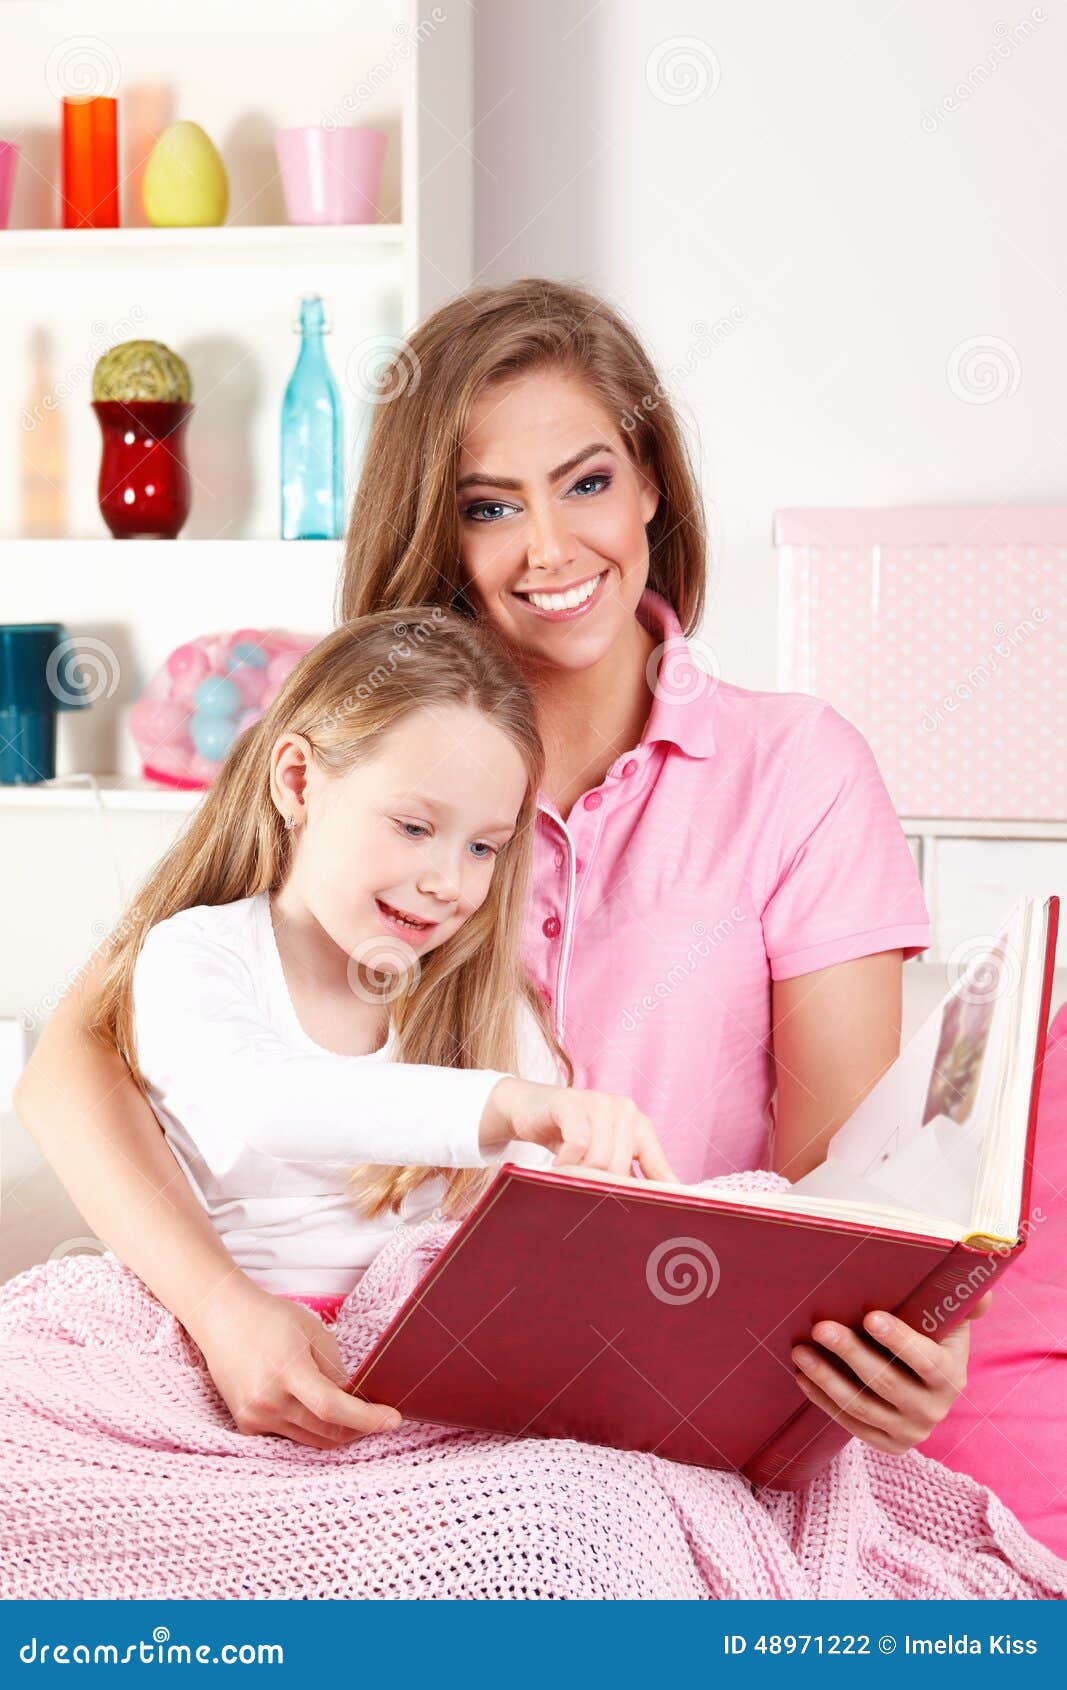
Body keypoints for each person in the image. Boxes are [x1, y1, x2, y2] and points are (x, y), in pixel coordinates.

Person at [16, 277, 987, 1464]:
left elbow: (840, 1200)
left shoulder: (797, 773)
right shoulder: (367, 750)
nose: (548, 547)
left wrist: (881, 1352)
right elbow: (83, 1058)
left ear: (648, 486)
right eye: (487, 506)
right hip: (374, 1384)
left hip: (648, 1406)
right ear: (434, 528)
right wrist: (224, 1311)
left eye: (586, 481)